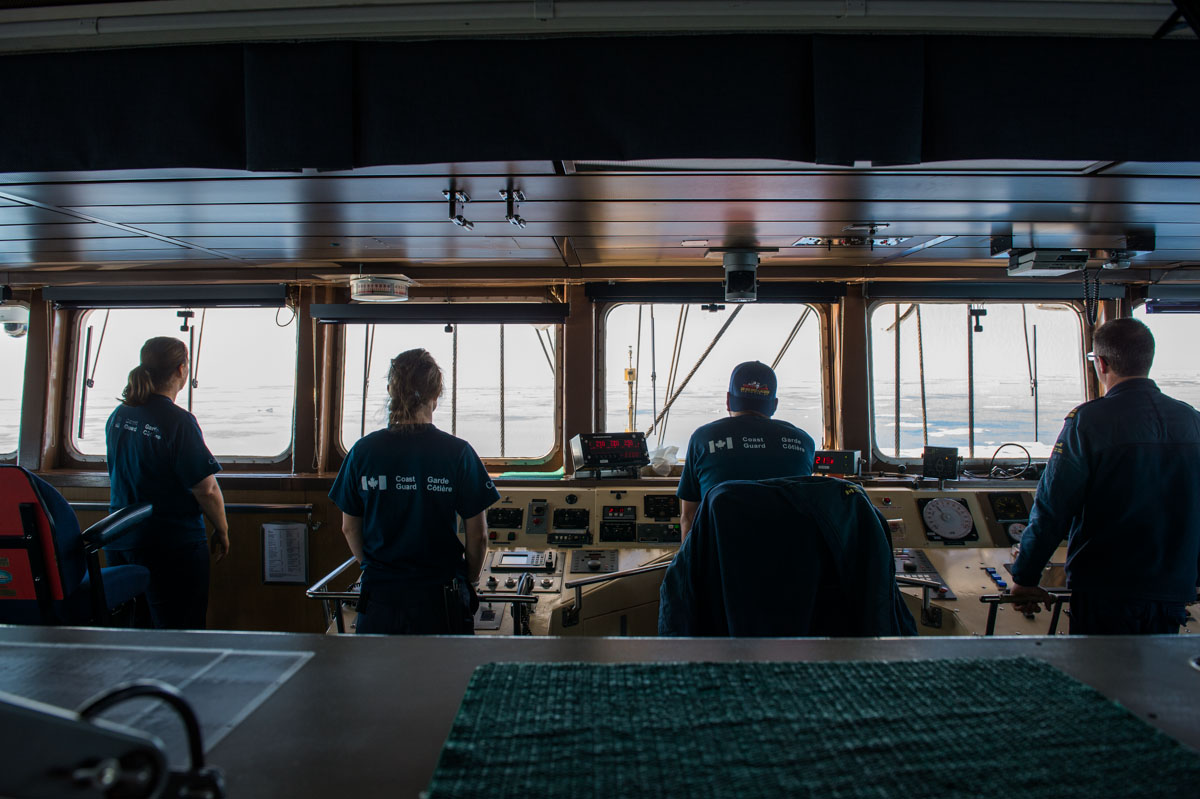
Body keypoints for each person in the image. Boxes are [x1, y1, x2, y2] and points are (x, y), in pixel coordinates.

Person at [1009, 318, 1200, 634]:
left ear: (1102, 363)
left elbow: (1052, 511)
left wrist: (1024, 578)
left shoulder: (1088, 422)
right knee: (1152, 680)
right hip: (1171, 591)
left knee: (1098, 679)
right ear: (1148, 359)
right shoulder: (1192, 420)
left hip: (1107, 592)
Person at [329, 348, 499, 635]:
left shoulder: (362, 452)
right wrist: (467, 579)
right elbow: (478, 535)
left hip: (380, 599)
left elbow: (349, 527)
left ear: (390, 391)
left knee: (380, 679)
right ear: (437, 394)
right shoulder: (458, 453)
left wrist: (375, 570)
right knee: (446, 679)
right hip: (441, 599)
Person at [105, 336, 230, 629]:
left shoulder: (119, 415)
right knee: (179, 631)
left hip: (120, 538)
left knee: (133, 628)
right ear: (181, 370)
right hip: (170, 543)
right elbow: (206, 488)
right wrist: (222, 530)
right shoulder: (178, 421)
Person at [676, 361, 816, 538]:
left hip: (720, 561)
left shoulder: (703, 439)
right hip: (788, 561)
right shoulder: (804, 442)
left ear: (728, 401)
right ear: (774, 404)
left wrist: (690, 565)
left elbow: (689, 517)